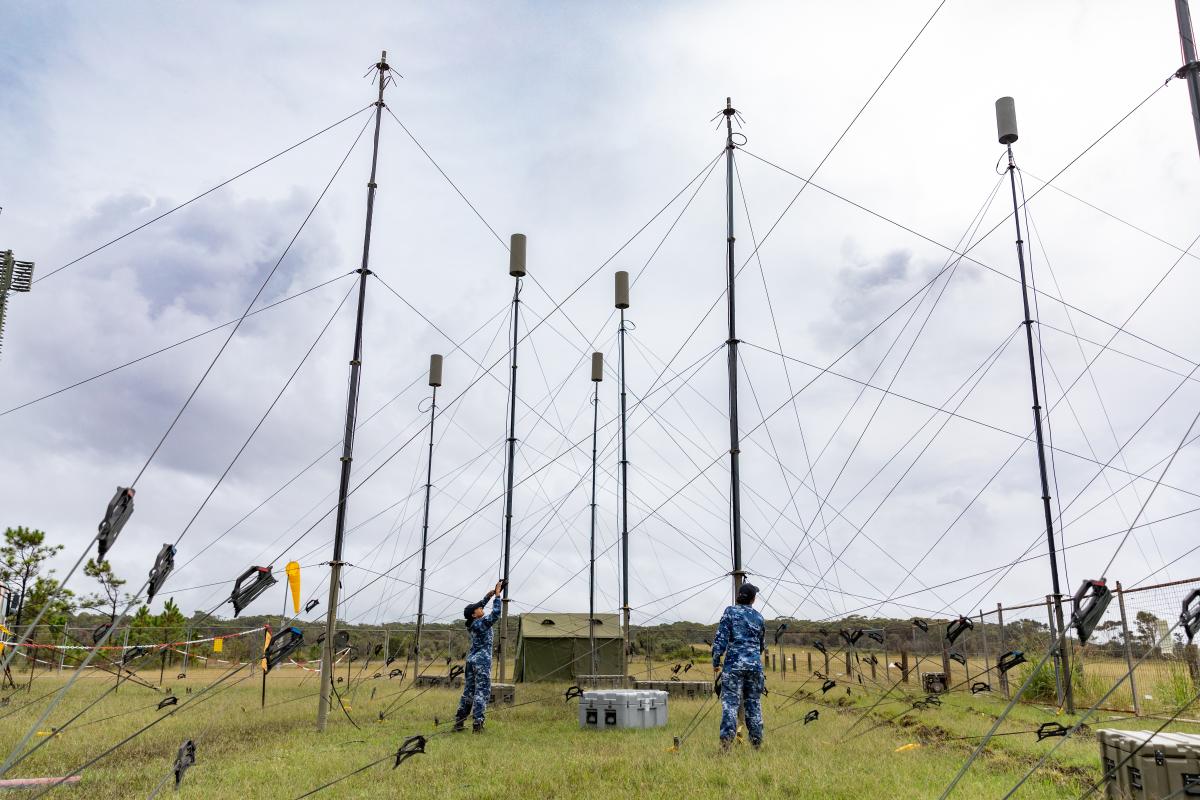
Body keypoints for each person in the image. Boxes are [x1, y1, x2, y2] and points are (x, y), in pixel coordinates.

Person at [711, 581, 765, 750]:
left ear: (739, 597)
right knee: (753, 703)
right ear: (753, 599)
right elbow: (761, 645)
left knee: (730, 705)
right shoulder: (759, 617)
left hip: (733, 666)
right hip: (755, 667)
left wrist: (716, 661)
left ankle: (726, 745)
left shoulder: (730, 612)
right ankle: (756, 744)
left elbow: (720, 640)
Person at [454, 580, 504, 733]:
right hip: (481, 662)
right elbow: (495, 614)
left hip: (471, 661)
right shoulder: (480, 624)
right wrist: (496, 596)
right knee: (482, 692)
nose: (481, 608)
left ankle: (459, 722)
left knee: (469, 692)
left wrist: (488, 596)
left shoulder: (473, 623)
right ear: (475, 614)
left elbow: (479, 605)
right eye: (478, 608)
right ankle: (477, 724)